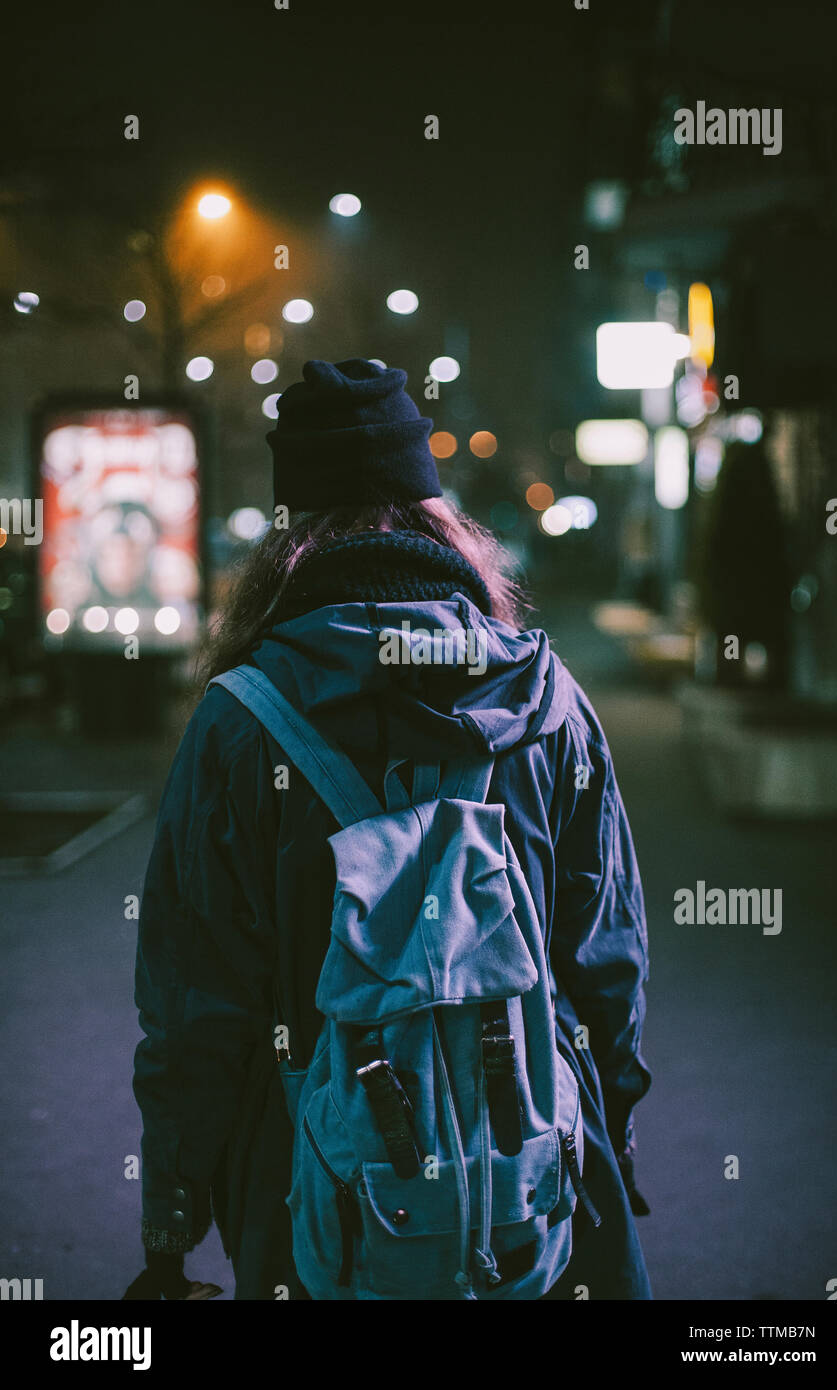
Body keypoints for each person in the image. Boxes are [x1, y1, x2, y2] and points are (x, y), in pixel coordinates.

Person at [124, 358, 652, 1301]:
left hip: (309, 1177)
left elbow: (192, 1002)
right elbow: (605, 956)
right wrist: (611, 1126)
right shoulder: (543, 700)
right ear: (436, 510)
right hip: (523, 1164)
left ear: (289, 531)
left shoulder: (242, 720)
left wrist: (172, 1223)